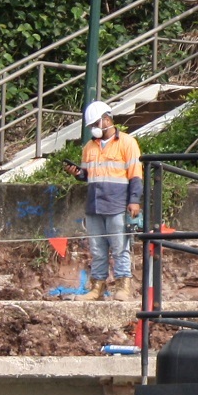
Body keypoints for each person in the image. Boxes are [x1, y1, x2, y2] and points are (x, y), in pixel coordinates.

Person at [69, 100, 142, 300]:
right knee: (97, 250)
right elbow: (87, 175)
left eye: (95, 124)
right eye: (91, 125)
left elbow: (136, 174)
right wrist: (77, 174)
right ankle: (97, 288)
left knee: (120, 247)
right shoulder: (89, 147)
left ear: (107, 120)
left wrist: (134, 200)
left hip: (117, 204)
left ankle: (123, 287)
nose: (93, 128)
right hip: (95, 205)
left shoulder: (127, 143)